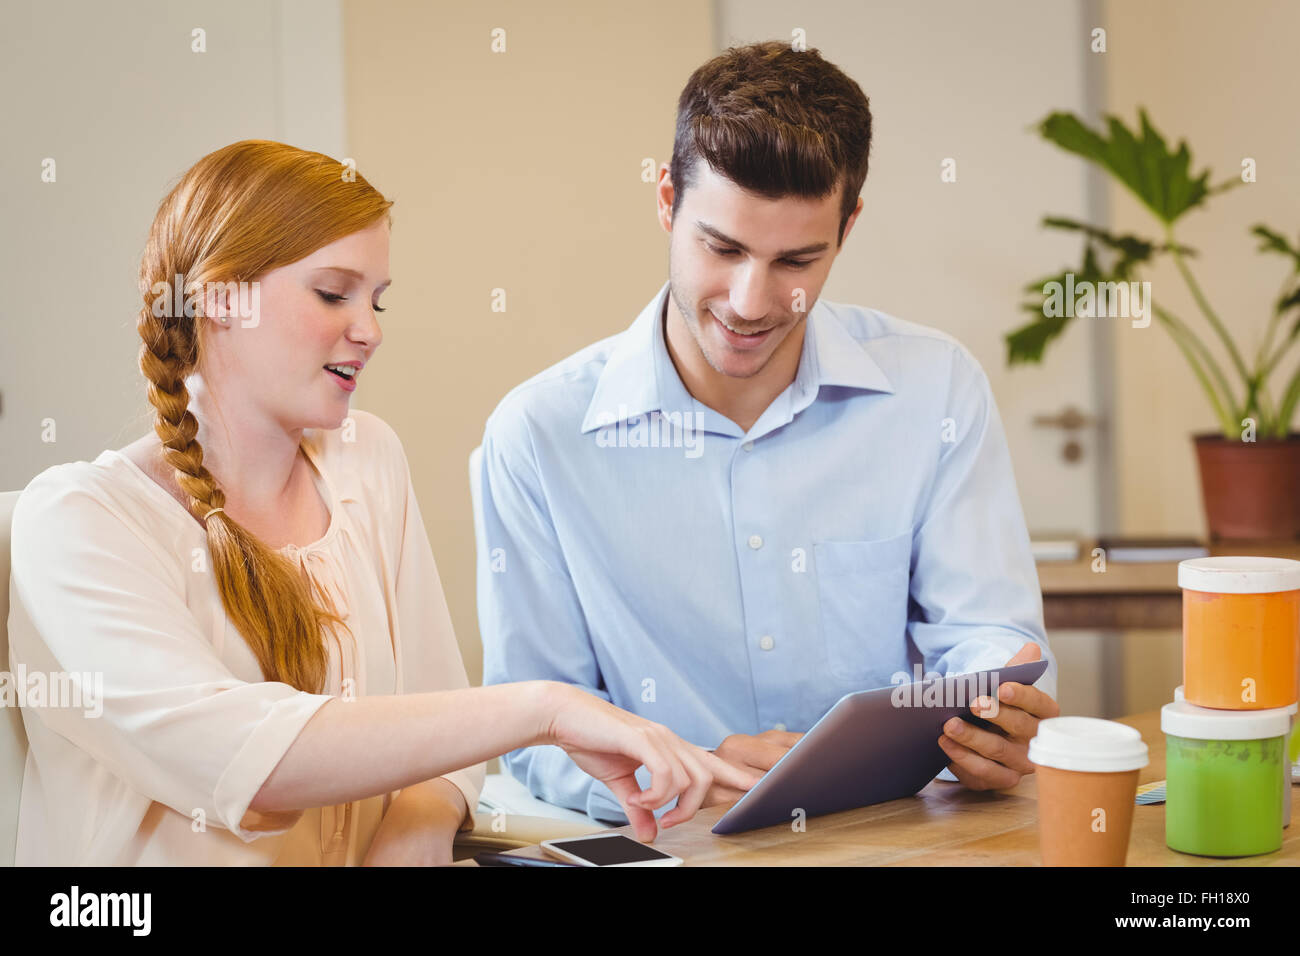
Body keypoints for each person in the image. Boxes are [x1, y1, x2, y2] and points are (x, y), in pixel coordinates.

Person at [6, 140, 755, 865]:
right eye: (333, 293)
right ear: (217, 298)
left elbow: (437, 719)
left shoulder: (367, 459)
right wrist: (547, 710)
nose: (368, 331)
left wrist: (420, 820)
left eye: (377, 300)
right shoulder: (77, 523)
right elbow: (250, 759)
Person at [478, 41, 1060, 825]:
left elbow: (988, 638)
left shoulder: (935, 390)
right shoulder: (538, 437)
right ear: (665, 201)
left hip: (893, 842)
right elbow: (532, 727)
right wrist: (691, 769)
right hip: (673, 843)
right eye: (721, 248)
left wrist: (998, 719)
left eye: (797, 259)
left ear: (848, 228)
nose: (751, 301)